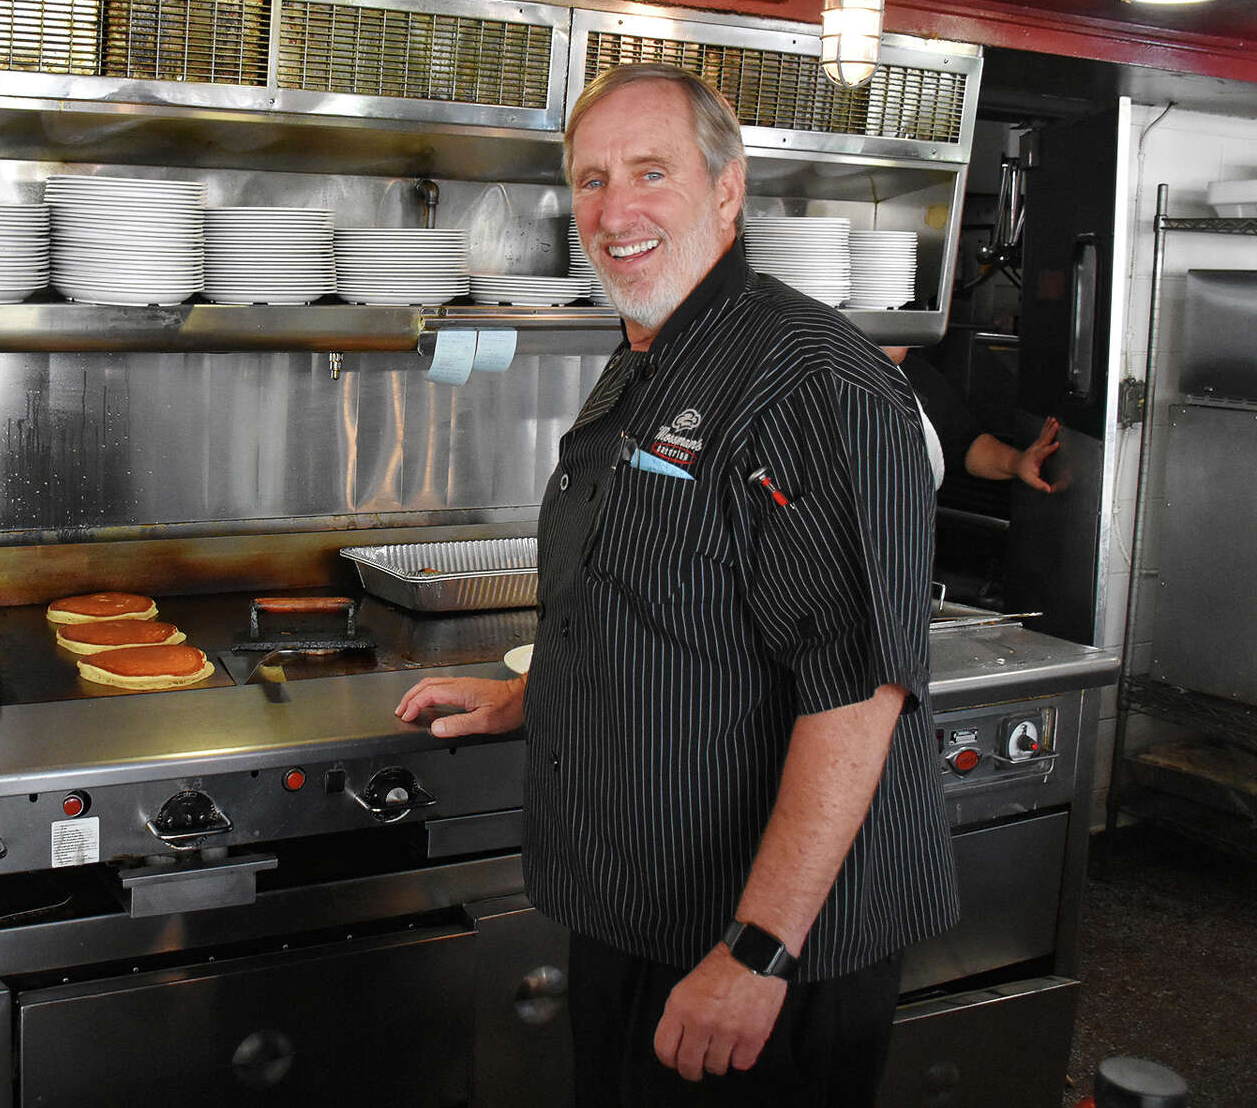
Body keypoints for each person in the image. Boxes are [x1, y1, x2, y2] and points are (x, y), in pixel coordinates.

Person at [396, 63, 959, 1107]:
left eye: (651, 172)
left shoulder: (808, 382)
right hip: (638, 905)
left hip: (762, 940)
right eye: (593, 179)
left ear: (728, 189)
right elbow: (658, 597)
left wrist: (755, 955)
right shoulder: (650, 354)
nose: (616, 210)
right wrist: (530, 695)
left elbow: (856, 691)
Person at [882, 345, 1061, 493]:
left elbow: (966, 445)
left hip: (905, 527)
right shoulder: (854, 383)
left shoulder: (921, 377)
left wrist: (1016, 462)